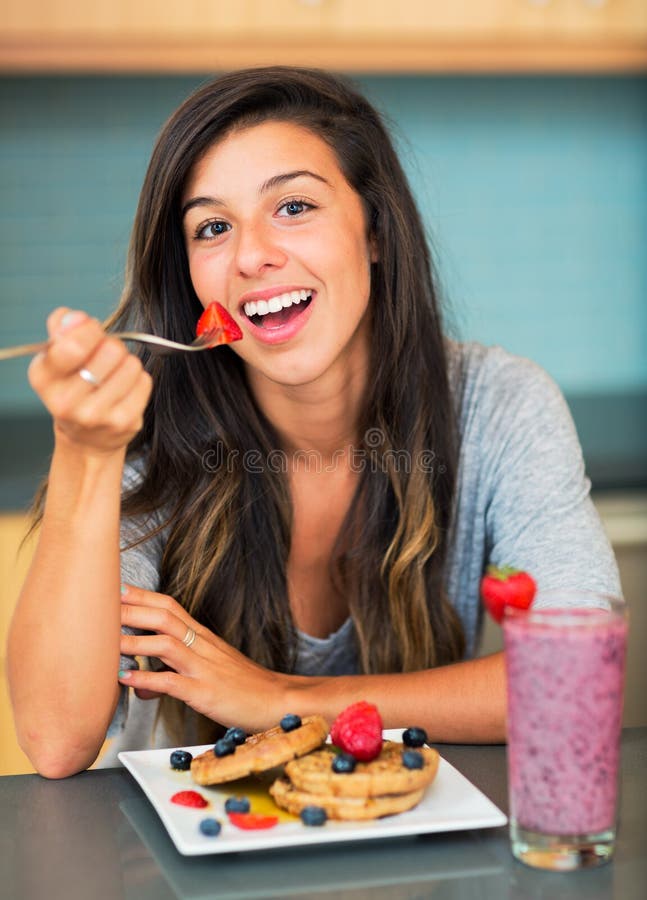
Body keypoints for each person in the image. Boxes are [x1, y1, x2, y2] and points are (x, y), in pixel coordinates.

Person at [7, 66, 620, 778]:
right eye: (212, 227)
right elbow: (54, 740)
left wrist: (281, 697)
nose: (251, 255)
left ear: (376, 233)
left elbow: (575, 682)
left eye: (293, 207)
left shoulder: (498, 405)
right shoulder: (140, 430)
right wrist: (83, 454)